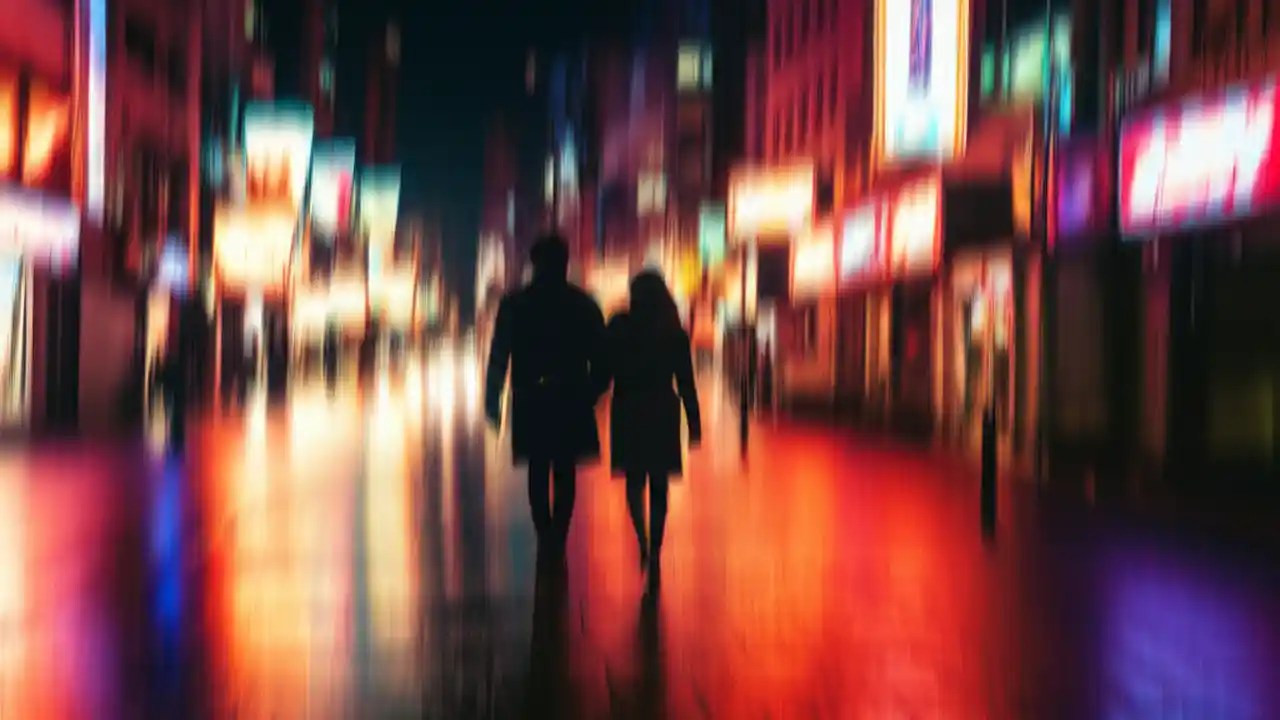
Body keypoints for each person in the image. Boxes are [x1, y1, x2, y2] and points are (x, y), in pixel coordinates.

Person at [485, 234, 607, 559]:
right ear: (565, 264)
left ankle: (545, 534)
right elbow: (603, 357)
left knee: (538, 468)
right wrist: (591, 391)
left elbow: (499, 355)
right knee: (564, 469)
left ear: (533, 263)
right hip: (570, 396)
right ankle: (558, 535)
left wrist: (492, 399)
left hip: (531, 397)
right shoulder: (583, 304)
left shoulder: (514, 304)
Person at [605, 271, 701, 587]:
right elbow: (686, 382)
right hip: (662, 407)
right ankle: (656, 547)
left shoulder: (620, 326)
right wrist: (695, 424)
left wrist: (584, 397)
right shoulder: (674, 332)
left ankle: (642, 540)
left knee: (634, 479)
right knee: (659, 482)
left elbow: (605, 371)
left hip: (628, 407)